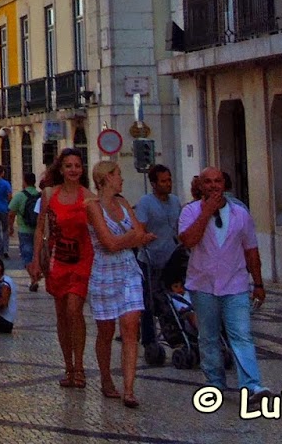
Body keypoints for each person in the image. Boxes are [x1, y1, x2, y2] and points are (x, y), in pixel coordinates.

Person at [177, 167, 270, 398]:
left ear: (224, 184)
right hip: (203, 285)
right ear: (201, 186)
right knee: (208, 336)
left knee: (241, 334)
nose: (213, 186)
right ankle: (215, 382)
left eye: (217, 181)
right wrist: (206, 212)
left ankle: (251, 384)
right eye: (208, 182)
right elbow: (188, 241)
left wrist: (258, 284)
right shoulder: (190, 212)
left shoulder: (240, 214)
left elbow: (251, 251)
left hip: (235, 285)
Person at [86, 159, 154, 408]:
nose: (122, 178)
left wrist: (131, 238)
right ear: (106, 178)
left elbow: (137, 236)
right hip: (104, 272)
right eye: (118, 174)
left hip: (128, 269)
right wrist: (132, 237)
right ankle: (106, 379)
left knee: (130, 327)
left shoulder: (124, 203)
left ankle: (129, 389)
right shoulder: (92, 207)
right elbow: (109, 243)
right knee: (106, 331)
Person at [31, 148, 93, 390]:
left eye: (77, 165)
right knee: (62, 315)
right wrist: (36, 259)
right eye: (69, 166)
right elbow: (40, 228)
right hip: (57, 259)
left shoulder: (88, 197)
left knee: (74, 310)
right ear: (61, 169)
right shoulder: (49, 194)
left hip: (82, 259)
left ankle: (80, 367)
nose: (73, 170)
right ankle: (68, 366)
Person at [134, 163, 181, 362]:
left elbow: (179, 227)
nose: (168, 184)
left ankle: (177, 336)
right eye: (163, 181)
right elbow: (139, 229)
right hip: (149, 260)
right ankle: (149, 341)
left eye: (169, 180)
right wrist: (145, 238)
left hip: (171, 260)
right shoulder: (145, 203)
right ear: (154, 184)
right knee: (149, 303)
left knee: (173, 301)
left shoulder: (175, 201)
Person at [9, 171, 42, 291]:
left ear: (24, 182)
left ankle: (33, 279)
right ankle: (35, 277)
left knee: (27, 256)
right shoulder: (40, 196)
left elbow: (11, 213)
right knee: (37, 255)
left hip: (24, 230)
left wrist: (10, 227)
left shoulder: (20, 196)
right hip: (38, 229)